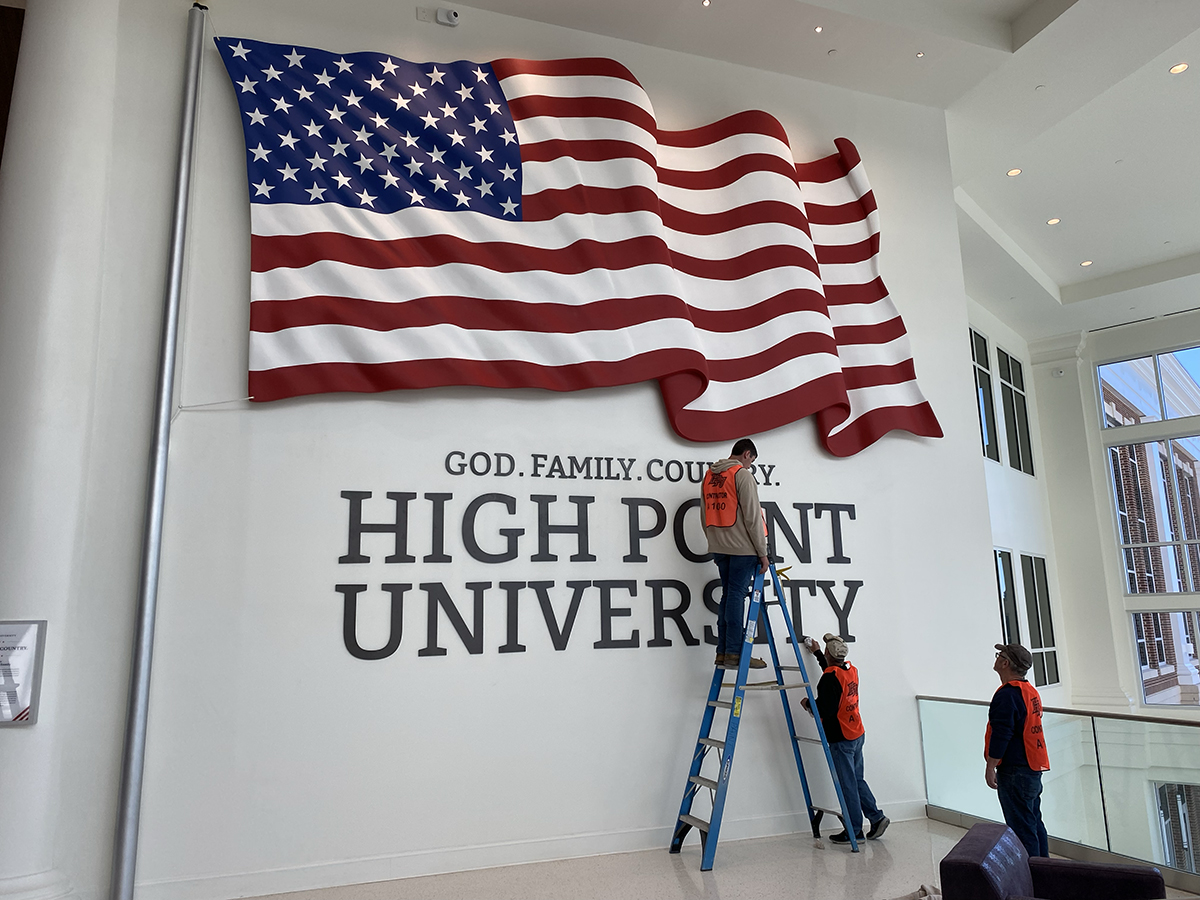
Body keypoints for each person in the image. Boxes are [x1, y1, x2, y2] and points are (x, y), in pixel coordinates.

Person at [802, 633, 889, 843]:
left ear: (828, 654)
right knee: (857, 779)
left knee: (847, 784)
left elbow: (826, 708)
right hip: (856, 732)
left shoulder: (830, 678)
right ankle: (876, 818)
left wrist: (808, 704)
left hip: (841, 738)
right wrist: (816, 654)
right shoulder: (850, 670)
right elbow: (833, 678)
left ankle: (854, 831)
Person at [701, 439, 769, 670]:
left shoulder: (710, 475)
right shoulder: (741, 475)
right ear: (747, 454)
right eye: (751, 461)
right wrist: (763, 552)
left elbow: (704, 514)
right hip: (742, 548)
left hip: (719, 547)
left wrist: (714, 541)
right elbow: (752, 518)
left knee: (728, 596)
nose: (750, 466)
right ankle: (735, 652)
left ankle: (723, 651)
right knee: (736, 596)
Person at [986, 642, 1050, 858]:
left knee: (1022, 830)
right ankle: (1045, 870)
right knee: (1034, 822)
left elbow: (1001, 733)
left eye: (999, 655)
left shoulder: (1007, 695)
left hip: (1015, 771)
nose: (996, 658)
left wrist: (990, 766)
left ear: (1005, 663)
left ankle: (1031, 880)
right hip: (1032, 767)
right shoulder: (1030, 691)